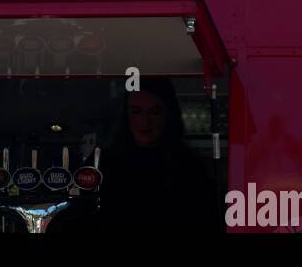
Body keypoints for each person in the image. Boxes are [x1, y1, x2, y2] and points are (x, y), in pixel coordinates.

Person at [89, 79, 223, 232]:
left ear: (168, 115)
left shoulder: (189, 168)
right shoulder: (104, 162)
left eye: (155, 112)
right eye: (136, 112)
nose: (145, 122)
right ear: (126, 115)